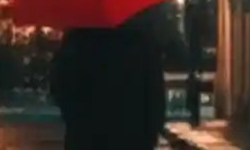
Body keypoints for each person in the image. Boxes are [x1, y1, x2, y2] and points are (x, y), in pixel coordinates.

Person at [51, 14, 169, 149]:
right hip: (133, 138)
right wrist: (152, 134)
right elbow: (155, 96)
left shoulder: (75, 43)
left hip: (86, 138)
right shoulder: (142, 43)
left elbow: (60, 91)